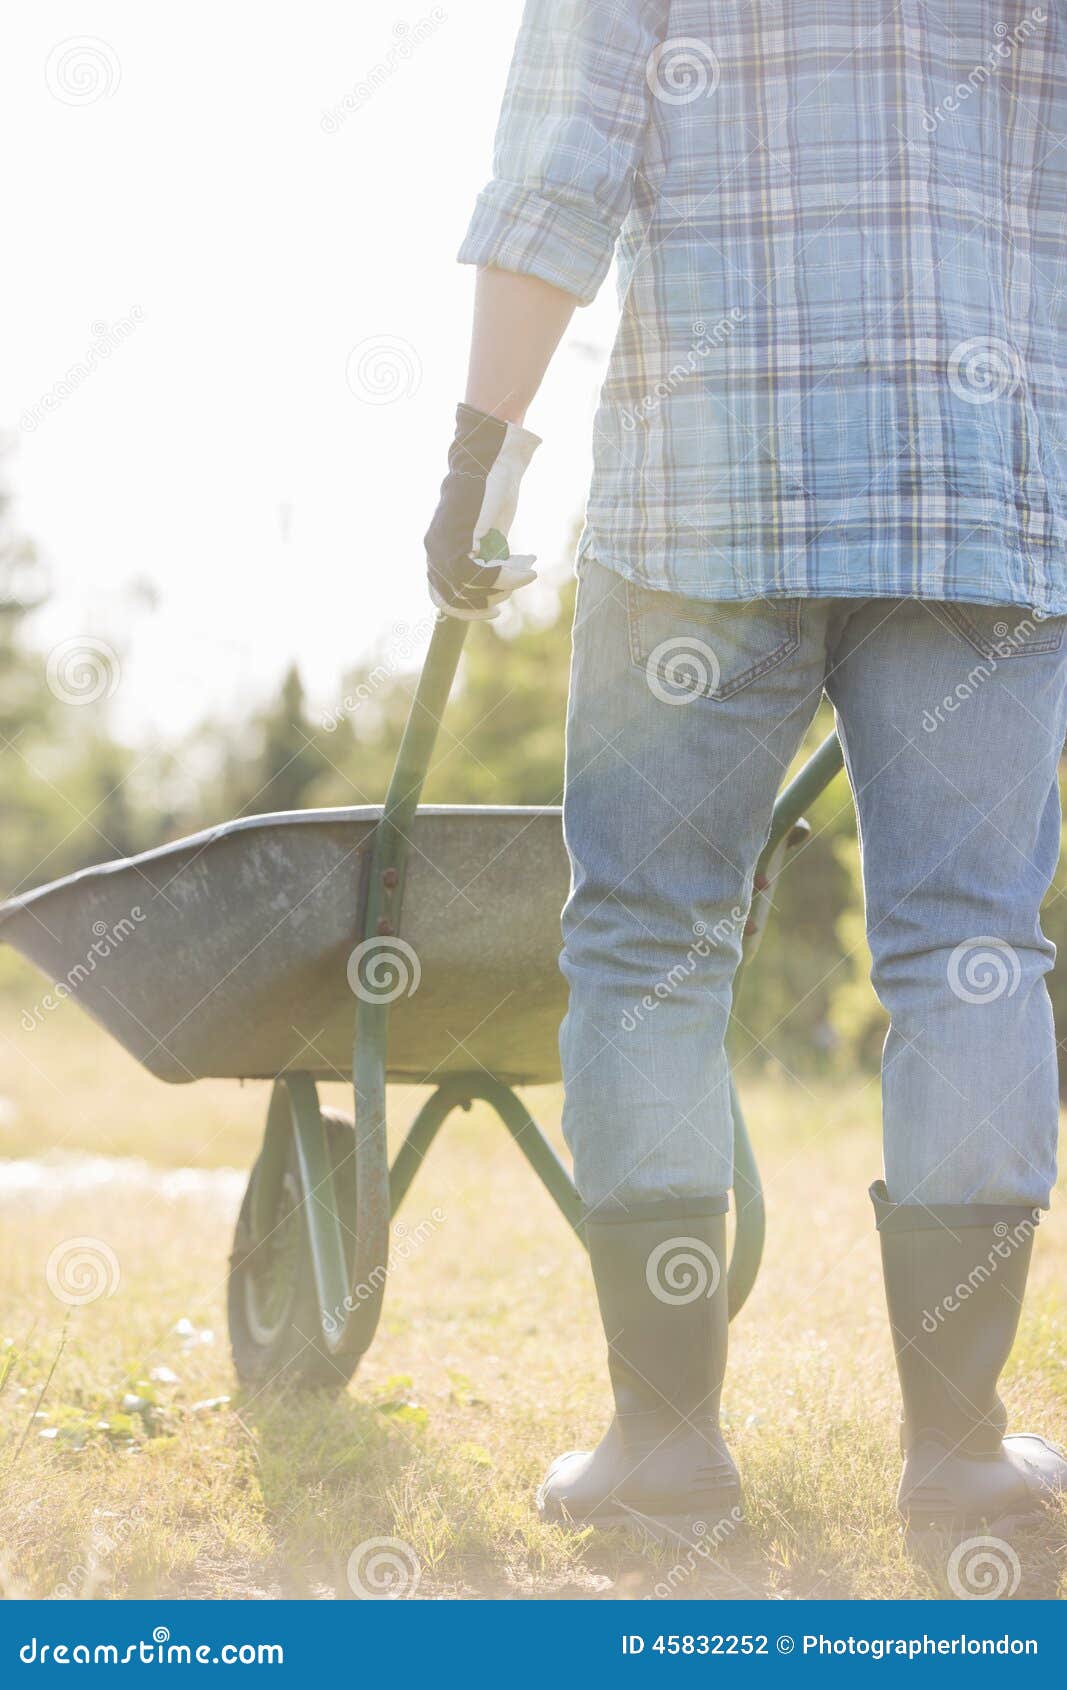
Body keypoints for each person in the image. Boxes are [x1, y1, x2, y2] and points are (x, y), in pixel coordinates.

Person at [424, 1, 1067, 1540]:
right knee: (969, 945)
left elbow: (553, 183)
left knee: (650, 939)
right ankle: (965, 1460)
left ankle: (661, 1453)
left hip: (709, 503)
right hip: (978, 491)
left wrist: (474, 463)